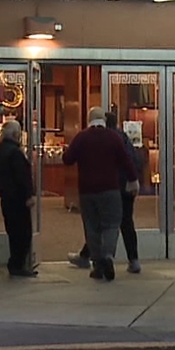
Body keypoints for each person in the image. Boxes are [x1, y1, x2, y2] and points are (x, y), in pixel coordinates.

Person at [62, 106, 137, 281]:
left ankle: (97, 264)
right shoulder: (113, 137)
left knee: (92, 226)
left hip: (87, 190)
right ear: (104, 119)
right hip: (110, 189)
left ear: (89, 119)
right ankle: (108, 256)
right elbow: (126, 161)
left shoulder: (82, 137)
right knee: (111, 225)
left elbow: (68, 159)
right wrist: (133, 181)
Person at [0, 120, 37, 278]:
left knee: (13, 231)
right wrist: (28, 195)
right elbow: (22, 177)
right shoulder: (15, 153)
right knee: (23, 233)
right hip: (18, 199)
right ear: (15, 134)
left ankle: (16, 263)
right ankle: (18, 264)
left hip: (6, 197)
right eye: (19, 132)